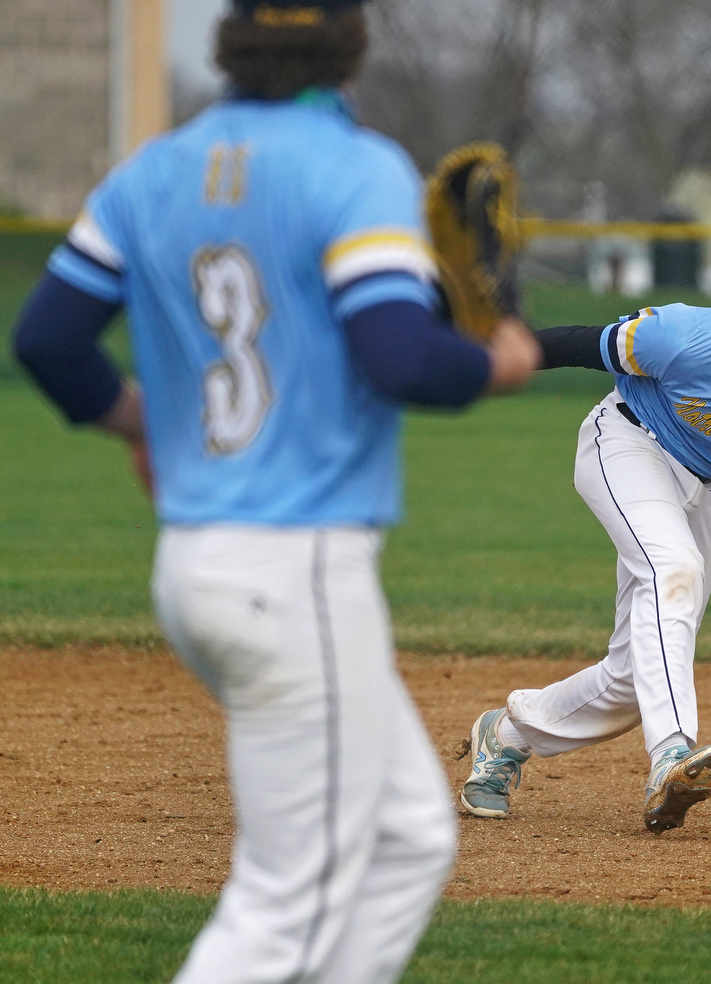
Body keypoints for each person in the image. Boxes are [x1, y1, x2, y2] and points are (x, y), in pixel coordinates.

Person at [11, 2, 539, 981]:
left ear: (229, 42)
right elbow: (400, 357)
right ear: (349, 47)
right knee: (284, 897)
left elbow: (46, 339)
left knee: (409, 837)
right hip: (296, 571)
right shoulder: (355, 165)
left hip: (194, 566)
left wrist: (140, 422)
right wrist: (502, 363)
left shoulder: (153, 169)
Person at [459, 287, 711, 834]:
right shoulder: (686, 339)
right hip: (629, 442)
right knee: (674, 568)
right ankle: (672, 751)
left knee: (634, 680)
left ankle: (505, 736)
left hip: (707, 488)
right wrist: (480, 363)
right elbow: (579, 344)